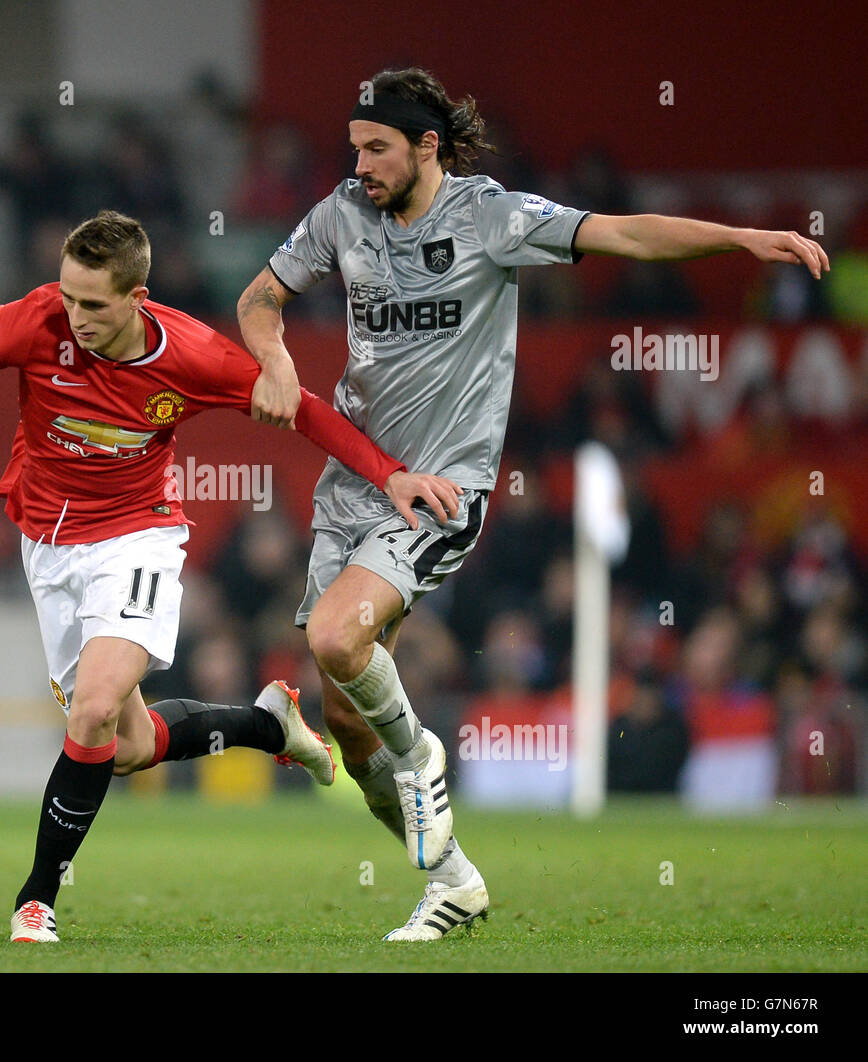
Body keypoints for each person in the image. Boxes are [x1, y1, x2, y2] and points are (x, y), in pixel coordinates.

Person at [234, 66, 829, 940]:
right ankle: (453, 879)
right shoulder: (339, 216)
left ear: (426, 146)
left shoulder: (491, 216)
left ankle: (423, 755)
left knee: (334, 635)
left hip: (439, 490)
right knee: (346, 731)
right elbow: (258, 300)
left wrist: (738, 238)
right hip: (352, 484)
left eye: (376, 149)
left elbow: (626, 234)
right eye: (354, 147)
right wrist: (277, 361)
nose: (357, 164)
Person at [0, 210, 447, 942]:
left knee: (90, 712)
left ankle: (36, 899)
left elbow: (304, 411)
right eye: (68, 297)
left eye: (94, 304)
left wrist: (391, 475)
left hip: (136, 539)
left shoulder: (193, 356)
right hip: (47, 543)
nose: (76, 318)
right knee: (122, 747)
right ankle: (264, 723)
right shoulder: (34, 321)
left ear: (139, 296)